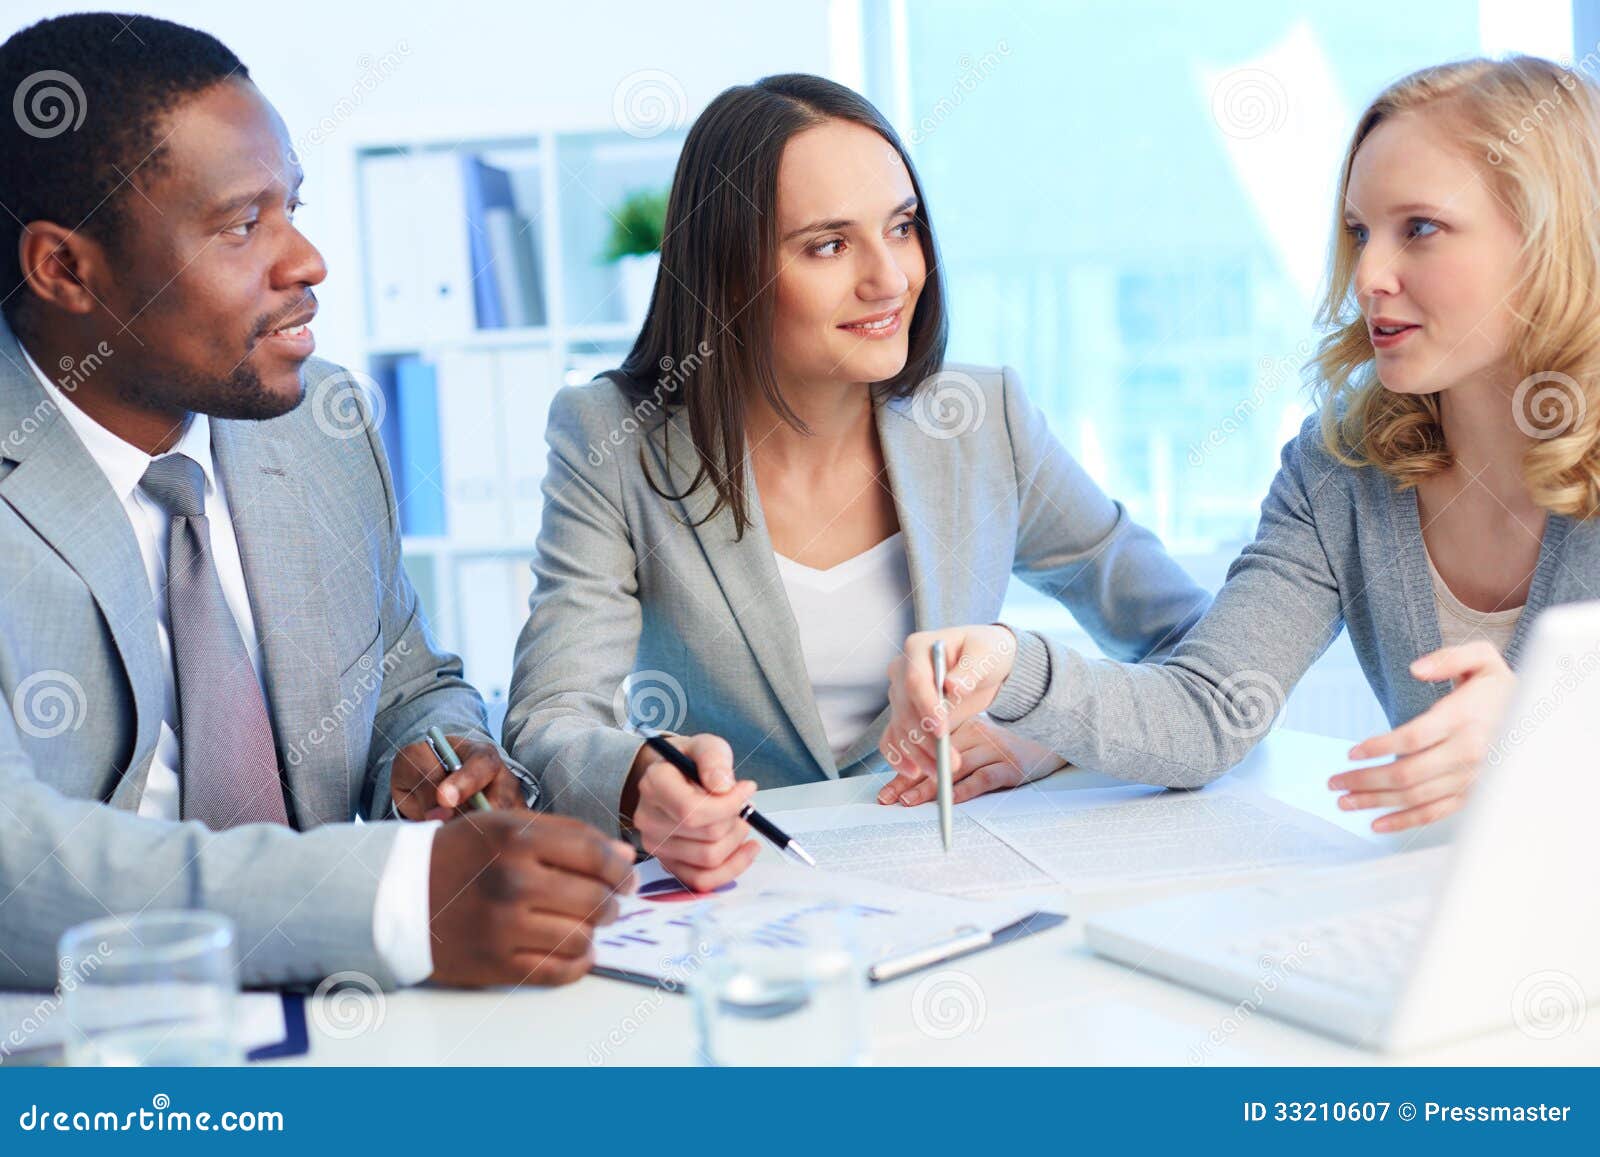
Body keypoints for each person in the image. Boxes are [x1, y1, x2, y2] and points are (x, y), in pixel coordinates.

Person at [0, 13, 633, 991]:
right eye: (241, 224)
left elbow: (408, 680)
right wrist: (390, 900)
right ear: (65, 269)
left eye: (292, 207)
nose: (307, 263)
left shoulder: (320, 419)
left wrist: (436, 756)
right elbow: (16, 868)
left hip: (354, 1027)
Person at [505, 74, 1208, 890]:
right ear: (730, 271)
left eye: (902, 227)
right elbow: (546, 721)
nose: (891, 278)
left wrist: (1040, 733)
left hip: (956, 886)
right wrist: (640, 784)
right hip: (744, 902)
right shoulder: (615, 439)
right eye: (829, 245)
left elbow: (1193, 643)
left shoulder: (982, 418)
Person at [878, 56, 1600, 835]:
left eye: (1419, 229)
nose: (1370, 275)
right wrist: (1013, 663)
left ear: (1547, 238)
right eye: (1360, 233)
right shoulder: (1341, 468)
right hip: (1455, 911)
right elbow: (1208, 710)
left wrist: (1554, 733)